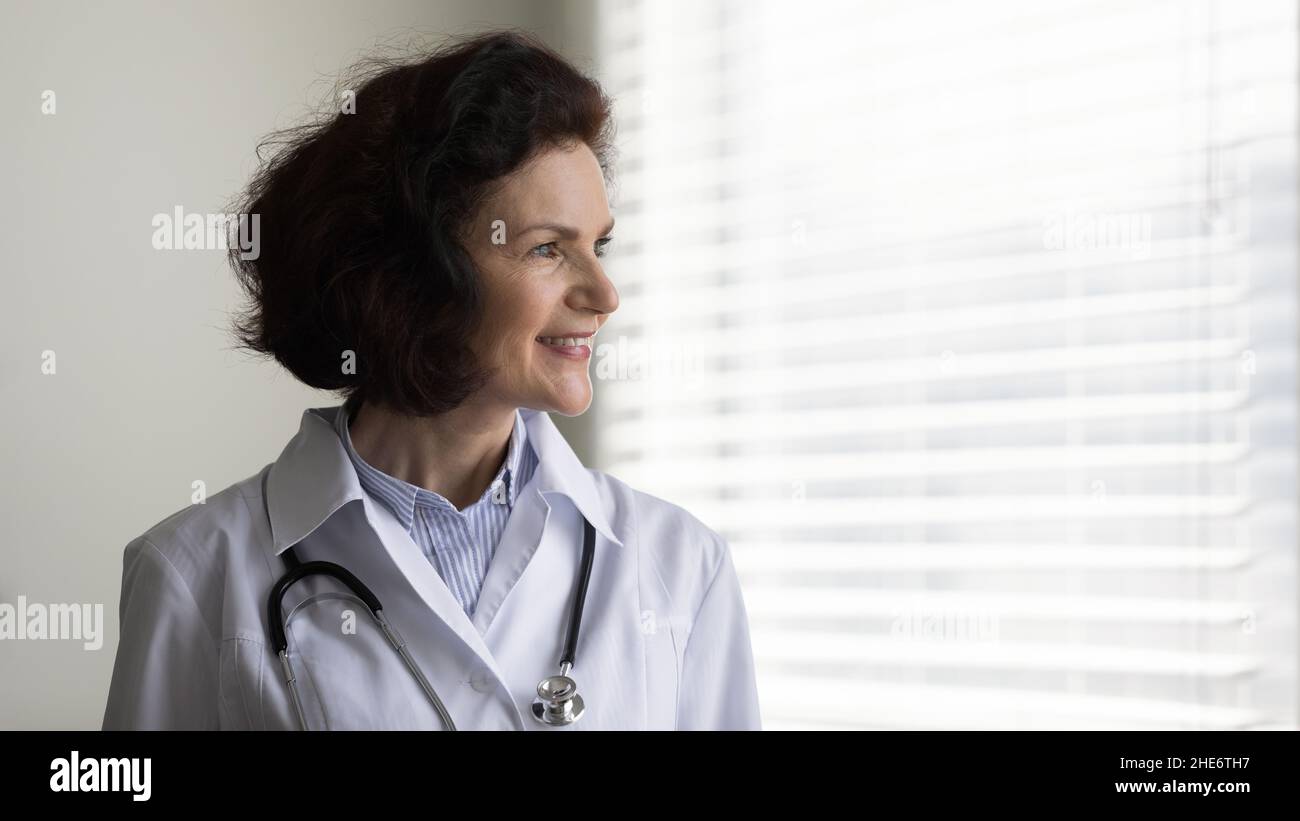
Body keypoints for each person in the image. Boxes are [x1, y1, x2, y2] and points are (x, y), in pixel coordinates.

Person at [101, 30, 761, 730]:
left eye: (598, 247)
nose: (604, 293)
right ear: (411, 276)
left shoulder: (683, 567)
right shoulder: (195, 575)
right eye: (547, 249)